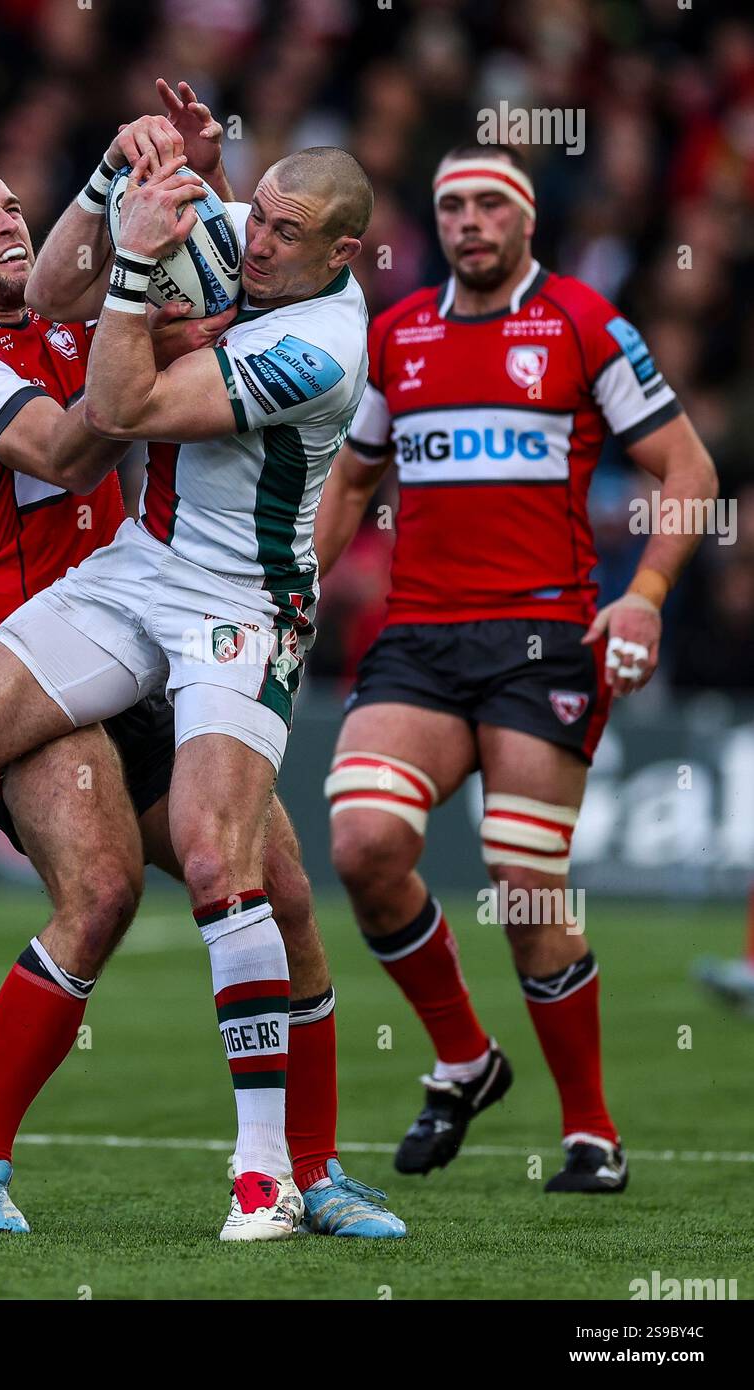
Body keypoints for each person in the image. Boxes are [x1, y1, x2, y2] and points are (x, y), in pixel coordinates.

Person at [0, 87, 403, 1243]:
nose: (11, 225)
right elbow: (77, 446)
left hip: (209, 610)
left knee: (272, 891)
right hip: (75, 613)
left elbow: (93, 316)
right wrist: (136, 240)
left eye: (16, 204)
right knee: (88, 880)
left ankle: (294, 1172)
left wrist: (132, 208)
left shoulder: (274, 336)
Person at [313, 140, 718, 1194]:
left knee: (523, 885)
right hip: (417, 639)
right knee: (361, 845)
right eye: (450, 206)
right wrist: (295, 588)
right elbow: (352, 482)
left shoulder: (585, 323)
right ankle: (464, 1057)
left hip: (543, 638)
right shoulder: (396, 336)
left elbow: (686, 466)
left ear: (526, 219)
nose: (468, 222)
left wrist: (643, 594)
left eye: (489, 203)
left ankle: (590, 1132)